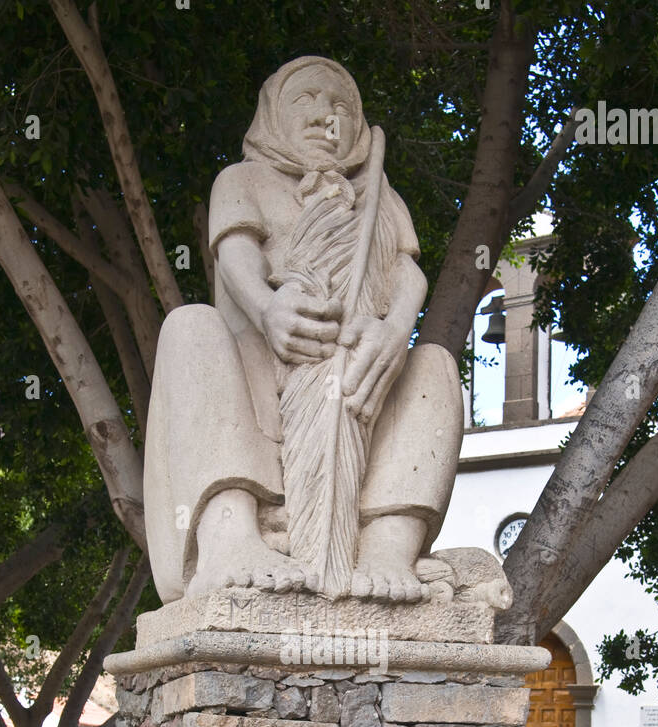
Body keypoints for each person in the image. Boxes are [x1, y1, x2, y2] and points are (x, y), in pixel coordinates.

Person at [144, 56, 463, 605]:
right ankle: (229, 536)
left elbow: (407, 273)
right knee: (189, 326)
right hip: (256, 379)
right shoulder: (241, 181)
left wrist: (394, 331)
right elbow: (235, 256)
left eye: (341, 106)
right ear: (272, 117)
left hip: (359, 381)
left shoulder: (378, 200)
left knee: (435, 364)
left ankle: (385, 544)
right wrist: (269, 311)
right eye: (305, 102)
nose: (325, 117)